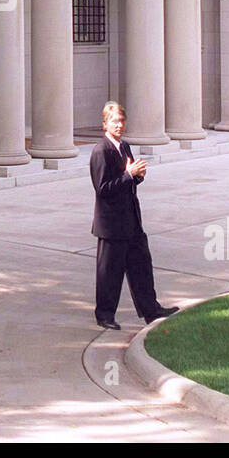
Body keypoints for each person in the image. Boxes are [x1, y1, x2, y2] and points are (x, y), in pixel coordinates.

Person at [88, 101, 178, 329]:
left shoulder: (124, 147)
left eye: (121, 121)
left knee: (142, 266)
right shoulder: (101, 151)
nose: (118, 125)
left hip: (132, 220)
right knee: (110, 273)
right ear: (104, 124)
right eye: (113, 121)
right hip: (111, 224)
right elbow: (103, 188)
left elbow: (128, 180)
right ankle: (105, 315)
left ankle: (151, 310)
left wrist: (138, 175)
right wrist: (129, 175)